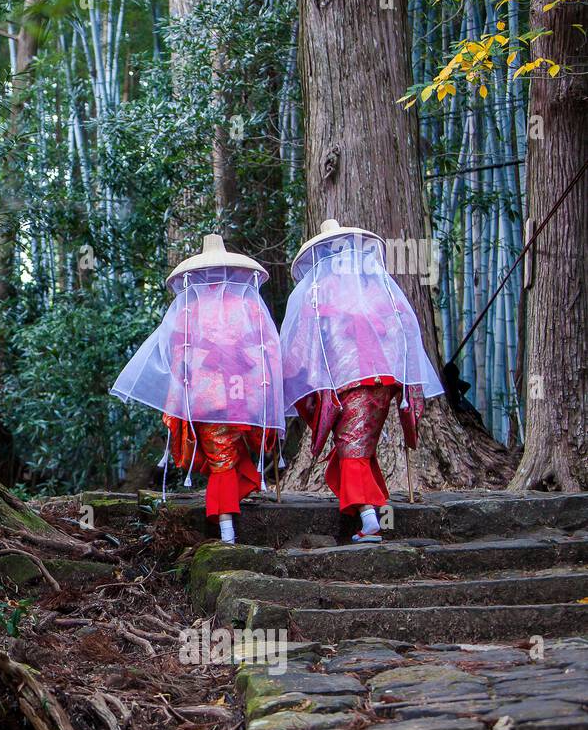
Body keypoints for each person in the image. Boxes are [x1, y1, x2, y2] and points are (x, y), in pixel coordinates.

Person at [112, 234, 284, 544]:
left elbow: (178, 357)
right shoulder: (249, 307)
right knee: (229, 457)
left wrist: (180, 395)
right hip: (242, 396)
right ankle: (228, 523)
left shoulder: (189, 311)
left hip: (203, 399)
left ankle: (226, 528)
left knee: (221, 460)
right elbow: (266, 351)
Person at [279, 219, 444, 542]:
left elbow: (305, 343)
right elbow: (403, 330)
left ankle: (370, 521)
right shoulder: (376, 288)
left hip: (349, 381)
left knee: (351, 448)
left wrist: (291, 373)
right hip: (384, 380)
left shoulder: (320, 290)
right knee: (360, 446)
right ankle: (380, 513)